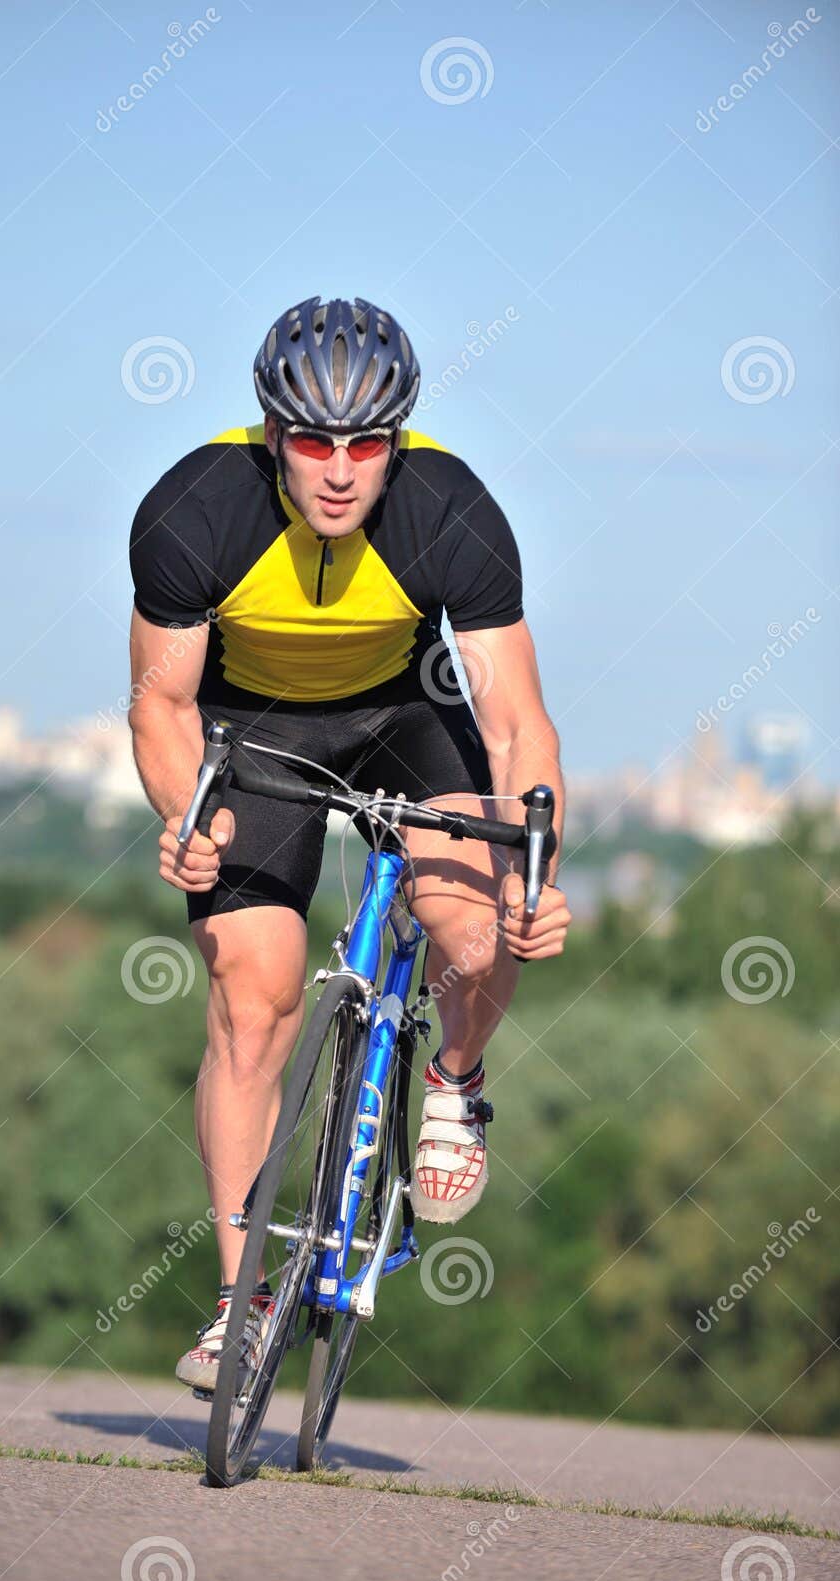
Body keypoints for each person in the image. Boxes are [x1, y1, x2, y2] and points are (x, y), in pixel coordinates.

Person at [128, 296, 570, 1390]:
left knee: (474, 931)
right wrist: (185, 821)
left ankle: (457, 1081)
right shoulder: (192, 509)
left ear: (398, 439)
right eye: (314, 442)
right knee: (251, 990)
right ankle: (240, 1301)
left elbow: (514, 722)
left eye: (365, 444)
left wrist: (534, 871)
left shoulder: (452, 509)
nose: (338, 470)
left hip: (407, 718)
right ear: (273, 432)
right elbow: (159, 707)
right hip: (256, 733)